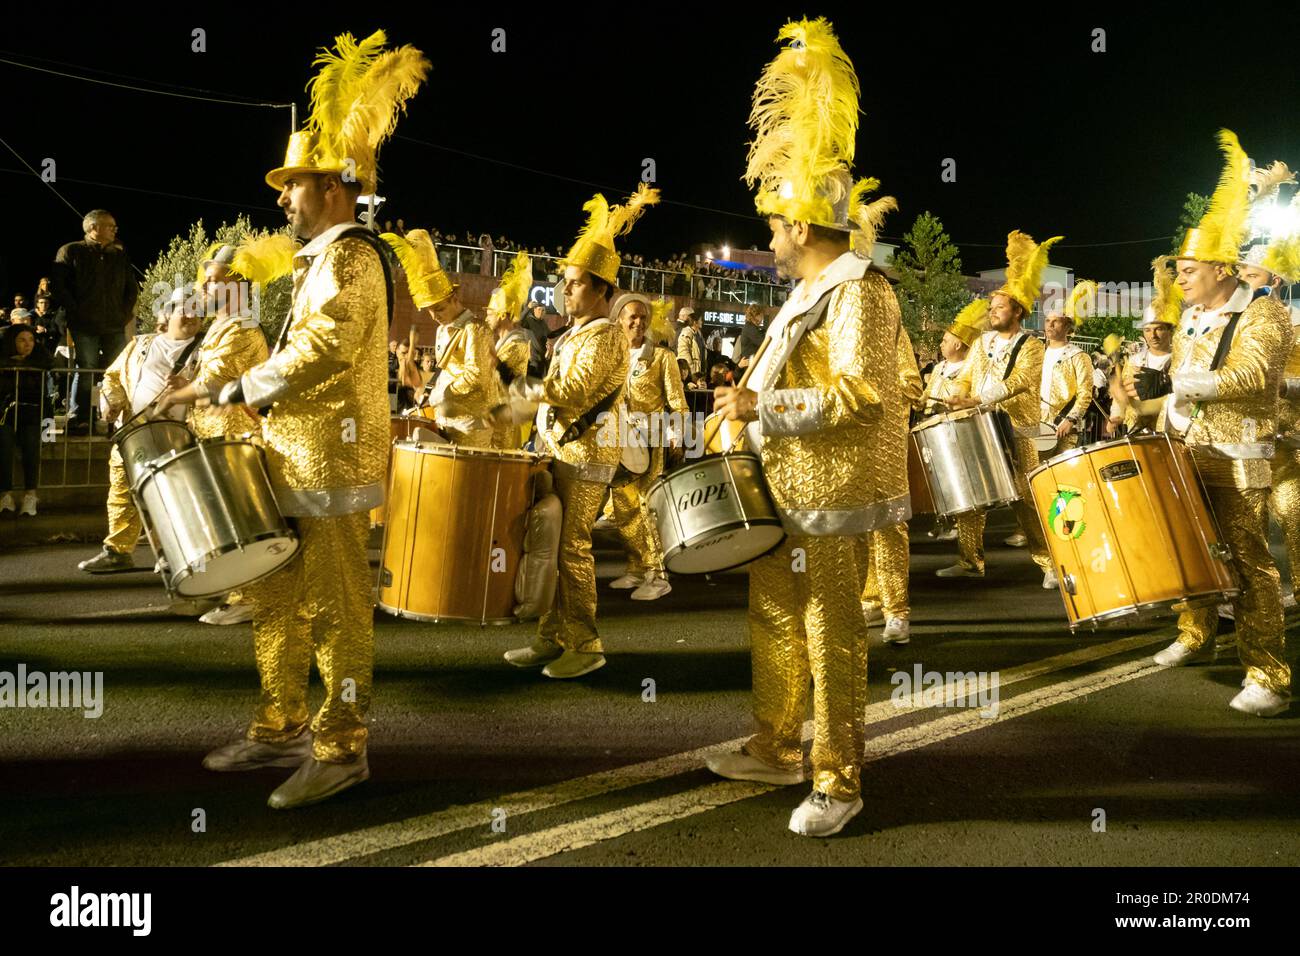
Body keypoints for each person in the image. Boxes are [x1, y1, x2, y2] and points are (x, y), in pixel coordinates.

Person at [158, 30, 429, 806]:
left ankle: (342, 749)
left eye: (295, 185)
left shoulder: (352, 257)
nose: (282, 198)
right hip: (291, 459)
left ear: (334, 189)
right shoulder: (319, 261)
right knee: (275, 599)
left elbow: (326, 346)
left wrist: (236, 388)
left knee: (339, 611)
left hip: (333, 466)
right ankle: (279, 725)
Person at [707, 17, 905, 837]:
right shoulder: (805, 295)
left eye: (773, 225)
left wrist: (763, 407)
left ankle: (839, 779)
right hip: (782, 489)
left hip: (832, 496)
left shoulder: (860, 291)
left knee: (832, 635)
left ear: (799, 226)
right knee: (776, 621)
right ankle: (777, 743)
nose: (769, 238)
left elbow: (863, 395)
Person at [1121, 131, 1290, 717]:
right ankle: (1196, 634)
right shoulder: (1192, 316)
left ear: (1222, 269)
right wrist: (1151, 403)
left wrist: (1181, 387)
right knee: (1189, 548)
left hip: (1240, 457)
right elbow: (1180, 384)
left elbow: (1254, 376)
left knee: (1248, 563)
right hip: (1187, 449)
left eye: (1189, 270)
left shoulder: (1265, 311)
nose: (1181, 279)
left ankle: (1267, 672)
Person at [503, 184, 659, 679]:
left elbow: (571, 390)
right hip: (561, 451)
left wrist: (517, 384)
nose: (564, 290)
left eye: (574, 284)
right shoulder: (575, 333)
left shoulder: (607, 335)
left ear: (602, 290)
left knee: (571, 549)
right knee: (550, 547)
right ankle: (552, 637)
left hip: (587, 457)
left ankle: (587, 643)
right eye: (565, 282)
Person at [942, 231, 1059, 587]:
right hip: (980, 428)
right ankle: (970, 561)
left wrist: (978, 399)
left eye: (999, 307)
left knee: (1026, 499)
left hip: (1018, 431)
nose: (992, 312)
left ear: (1018, 311)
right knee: (971, 497)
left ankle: (1050, 563)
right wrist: (957, 395)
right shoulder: (980, 343)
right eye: (991, 307)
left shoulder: (1032, 346)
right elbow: (966, 377)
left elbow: (1020, 381)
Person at [186, 239, 282, 626]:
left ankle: (250, 598)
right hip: (213, 434)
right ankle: (233, 590)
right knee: (222, 519)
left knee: (241, 519)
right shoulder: (220, 326)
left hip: (236, 436)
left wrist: (176, 392)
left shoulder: (243, 329)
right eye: (205, 281)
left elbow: (213, 381)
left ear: (237, 287)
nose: (204, 287)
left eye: (213, 281)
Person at [77, 289, 202, 572]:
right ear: (168, 313)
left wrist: (190, 387)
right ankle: (117, 551)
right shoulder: (141, 344)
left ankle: (173, 553)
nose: (193, 316)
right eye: (186, 309)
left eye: (198, 311)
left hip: (180, 437)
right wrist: (112, 403)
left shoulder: (206, 351)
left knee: (173, 495)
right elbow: (112, 377)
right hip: (133, 433)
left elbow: (217, 385)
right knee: (123, 492)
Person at [606, 292, 689, 600]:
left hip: (651, 440)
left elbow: (678, 403)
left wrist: (676, 436)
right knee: (623, 508)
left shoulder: (662, 357)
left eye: (643, 317)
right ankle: (636, 567)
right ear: (619, 321)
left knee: (647, 506)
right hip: (618, 442)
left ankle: (658, 574)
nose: (638, 323)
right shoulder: (611, 356)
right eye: (633, 317)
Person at [384, 229, 500, 448]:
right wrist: (425, 385)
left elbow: (477, 376)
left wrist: (441, 394)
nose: (434, 316)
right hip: (444, 418)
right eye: (429, 311)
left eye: (439, 308)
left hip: (471, 423)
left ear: (454, 298)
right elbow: (448, 371)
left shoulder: (476, 329)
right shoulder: (441, 330)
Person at [1237, 233, 1300, 603]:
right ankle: (1257, 601)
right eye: (1242, 276)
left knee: (1294, 517)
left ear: (1274, 280)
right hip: (1248, 438)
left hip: (1289, 442)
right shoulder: (1235, 324)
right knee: (1249, 524)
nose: (1244, 283)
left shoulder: (1296, 323)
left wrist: (1286, 388)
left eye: (1252, 276)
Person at [860, 319, 923, 644]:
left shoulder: (892, 332)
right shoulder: (837, 330)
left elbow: (913, 386)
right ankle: (870, 599)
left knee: (890, 523)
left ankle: (896, 611)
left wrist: (867, 393)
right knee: (858, 525)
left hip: (886, 442)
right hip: (850, 443)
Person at [52, 209, 139, 435]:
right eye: (110, 226)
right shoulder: (71, 251)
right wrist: (76, 312)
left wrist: (123, 314)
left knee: (116, 371)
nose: (114, 230)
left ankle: (115, 419)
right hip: (84, 325)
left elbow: (131, 287)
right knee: (86, 369)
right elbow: (59, 287)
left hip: (114, 324)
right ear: (93, 228)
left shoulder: (118, 255)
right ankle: (80, 418)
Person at [0, 325, 54, 515]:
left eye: (30, 339)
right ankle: (5, 495)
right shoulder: (4, 361)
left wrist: (26, 362)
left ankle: (30, 495)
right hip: (6, 414)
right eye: (21, 340)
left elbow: (50, 364)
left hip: (31, 414)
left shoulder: (39, 361)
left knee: (31, 445)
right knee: (3, 443)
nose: (27, 344)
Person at [484, 251, 535, 449]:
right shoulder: (502, 343)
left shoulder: (516, 345)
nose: (487, 317)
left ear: (503, 315)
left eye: (490, 313)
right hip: (494, 423)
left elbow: (501, 378)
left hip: (505, 427)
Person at [1038, 281, 1095, 457]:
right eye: (1048, 321)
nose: (1050, 325)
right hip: (1037, 425)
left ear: (1067, 327)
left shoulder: (1078, 356)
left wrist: (1070, 419)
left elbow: (1085, 393)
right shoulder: (1038, 354)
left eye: (1056, 321)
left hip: (1064, 427)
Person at [520, 301, 551, 378]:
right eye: (539, 310)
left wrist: (565, 328)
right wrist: (528, 308)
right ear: (534, 310)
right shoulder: (529, 321)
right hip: (533, 361)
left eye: (543, 310)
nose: (541, 312)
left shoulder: (542, 323)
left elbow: (550, 334)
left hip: (543, 359)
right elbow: (521, 320)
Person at [677, 309, 706, 376]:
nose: (702, 322)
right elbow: (684, 352)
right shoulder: (686, 334)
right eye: (700, 320)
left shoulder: (698, 334)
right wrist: (691, 369)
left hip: (698, 369)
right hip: (691, 371)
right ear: (695, 322)